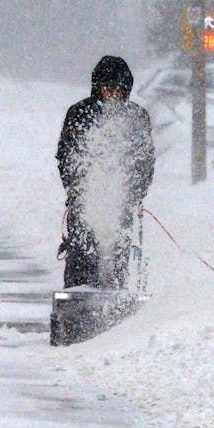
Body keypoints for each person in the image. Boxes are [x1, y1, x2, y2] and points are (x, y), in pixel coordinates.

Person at [55, 56, 155, 290]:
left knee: (120, 252)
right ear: (98, 87)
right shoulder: (79, 114)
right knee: (82, 251)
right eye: (108, 88)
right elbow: (66, 156)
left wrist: (136, 193)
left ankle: (117, 292)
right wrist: (75, 189)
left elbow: (144, 160)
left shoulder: (137, 117)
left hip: (121, 203)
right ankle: (78, 293)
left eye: (118, 89)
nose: (113, 94)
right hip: (85, 201)